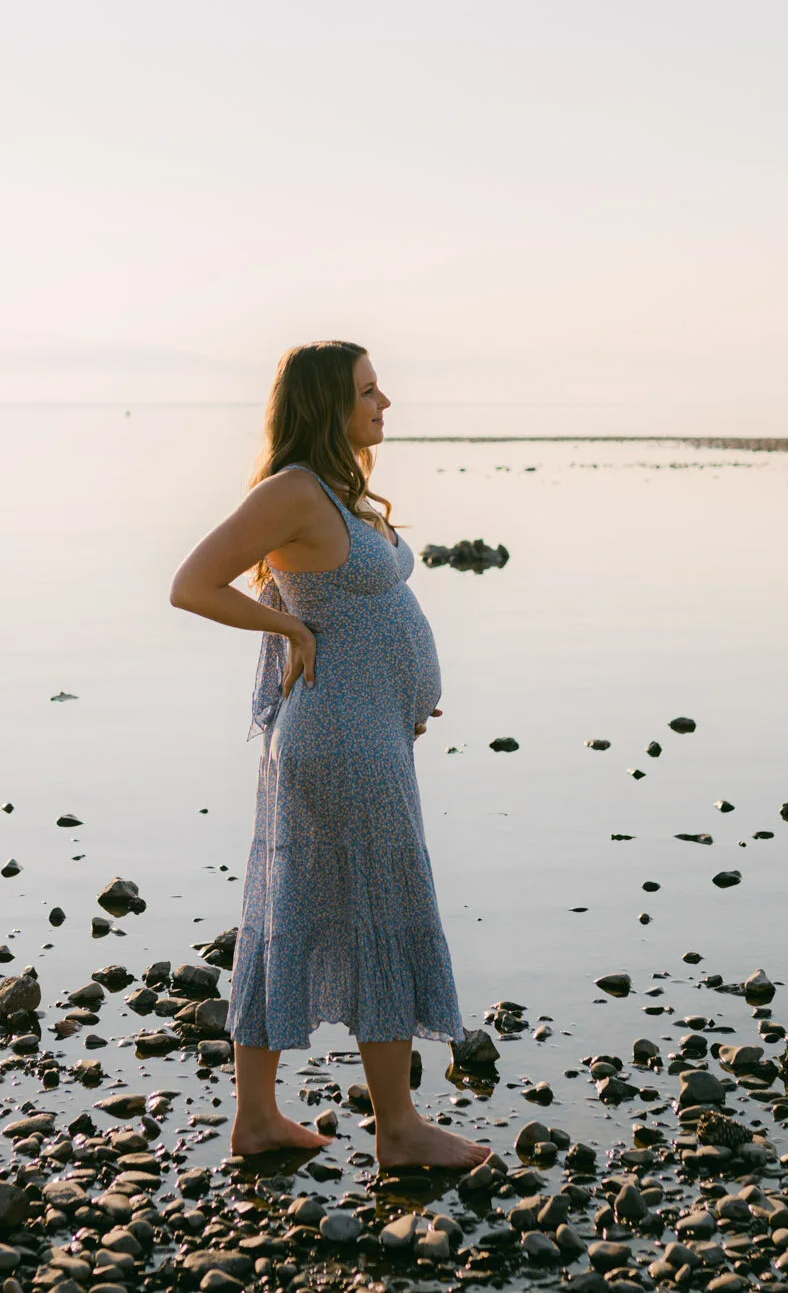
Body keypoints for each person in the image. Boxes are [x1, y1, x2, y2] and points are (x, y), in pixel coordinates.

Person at [169, 342, 491, 1169]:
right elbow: (193, 584)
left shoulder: (336, 489)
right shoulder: (291, 491)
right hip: (336, 734)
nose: (386, 402)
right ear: (324, 405)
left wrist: (402, 688)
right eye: (367, 391)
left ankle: (257, 1120)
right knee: (379, 903)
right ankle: (399, 1131)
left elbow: (356, 609)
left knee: (297, 905)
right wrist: (287, 629)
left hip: (366, 727)